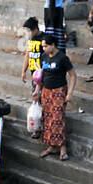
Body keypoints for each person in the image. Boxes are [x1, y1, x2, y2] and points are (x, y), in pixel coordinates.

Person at [37, 33, 74, 161]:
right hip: (46, 90)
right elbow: (41, 75)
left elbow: (73, 76)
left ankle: (62, 148)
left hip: (59, 91)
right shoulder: (44, 57)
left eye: (46, 46)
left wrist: (69, 93)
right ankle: (51, 146)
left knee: (58, 119)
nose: (44, 48)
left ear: (53, 45)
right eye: (43, 46)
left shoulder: (62, 58)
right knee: (47, 119)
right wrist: (37, 89)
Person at [20, 18, 44, 104]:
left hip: (44, 75)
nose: (27, 34)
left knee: (43, 99)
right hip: (34, 75)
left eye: (29, 31)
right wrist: (24, 71)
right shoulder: (30, 40)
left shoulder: (44, 39)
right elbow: (27, 55)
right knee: (36, 98)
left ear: (35, 29)